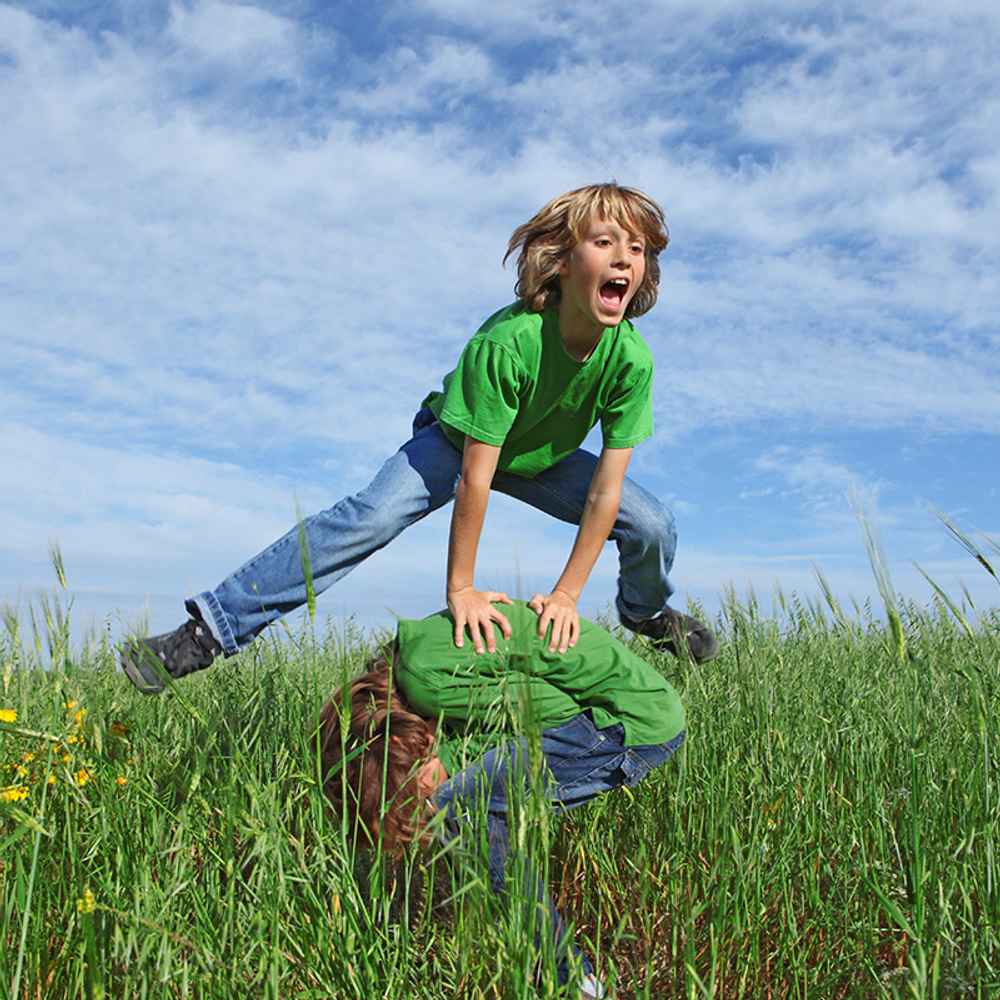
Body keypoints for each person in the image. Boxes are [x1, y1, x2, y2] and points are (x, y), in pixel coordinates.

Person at [122, 183, 718, 695]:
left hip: (541, 458)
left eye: (636, 249)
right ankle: (207, 631)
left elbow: (603, 494)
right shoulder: (509, 344)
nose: (623, 259)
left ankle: (644, 612)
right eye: (605, 242)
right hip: (459, 444)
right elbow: (474, 479)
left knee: (652, 523)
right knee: (370, 517)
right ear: (561, 260)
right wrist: (460, 588)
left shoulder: (630, 360)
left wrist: (566, 594)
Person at [317, 600, 687, 998]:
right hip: (620, 709)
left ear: (391, 747)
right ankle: (538, 963)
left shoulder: (427, 681)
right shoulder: (418, 665)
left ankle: (571, 983)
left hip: (629, 720)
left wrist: (447, 760)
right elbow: (517, 709)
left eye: (402, 789)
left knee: (454, 807)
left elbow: (549, 712)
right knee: (464, 805)